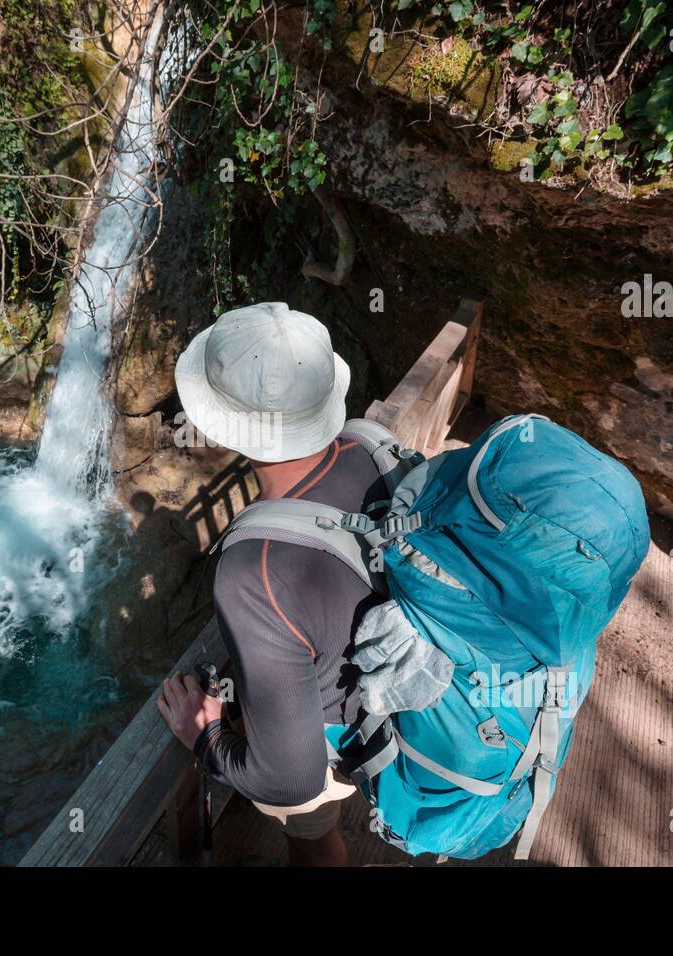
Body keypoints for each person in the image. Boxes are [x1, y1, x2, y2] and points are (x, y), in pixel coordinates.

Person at [156, 302, 387, 866]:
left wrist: (204, 737)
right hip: (407, 685)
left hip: (350, 731)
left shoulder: (253, 571)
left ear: (224, 421)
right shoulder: (375, 446)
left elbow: (289, 781)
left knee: (308, 833)